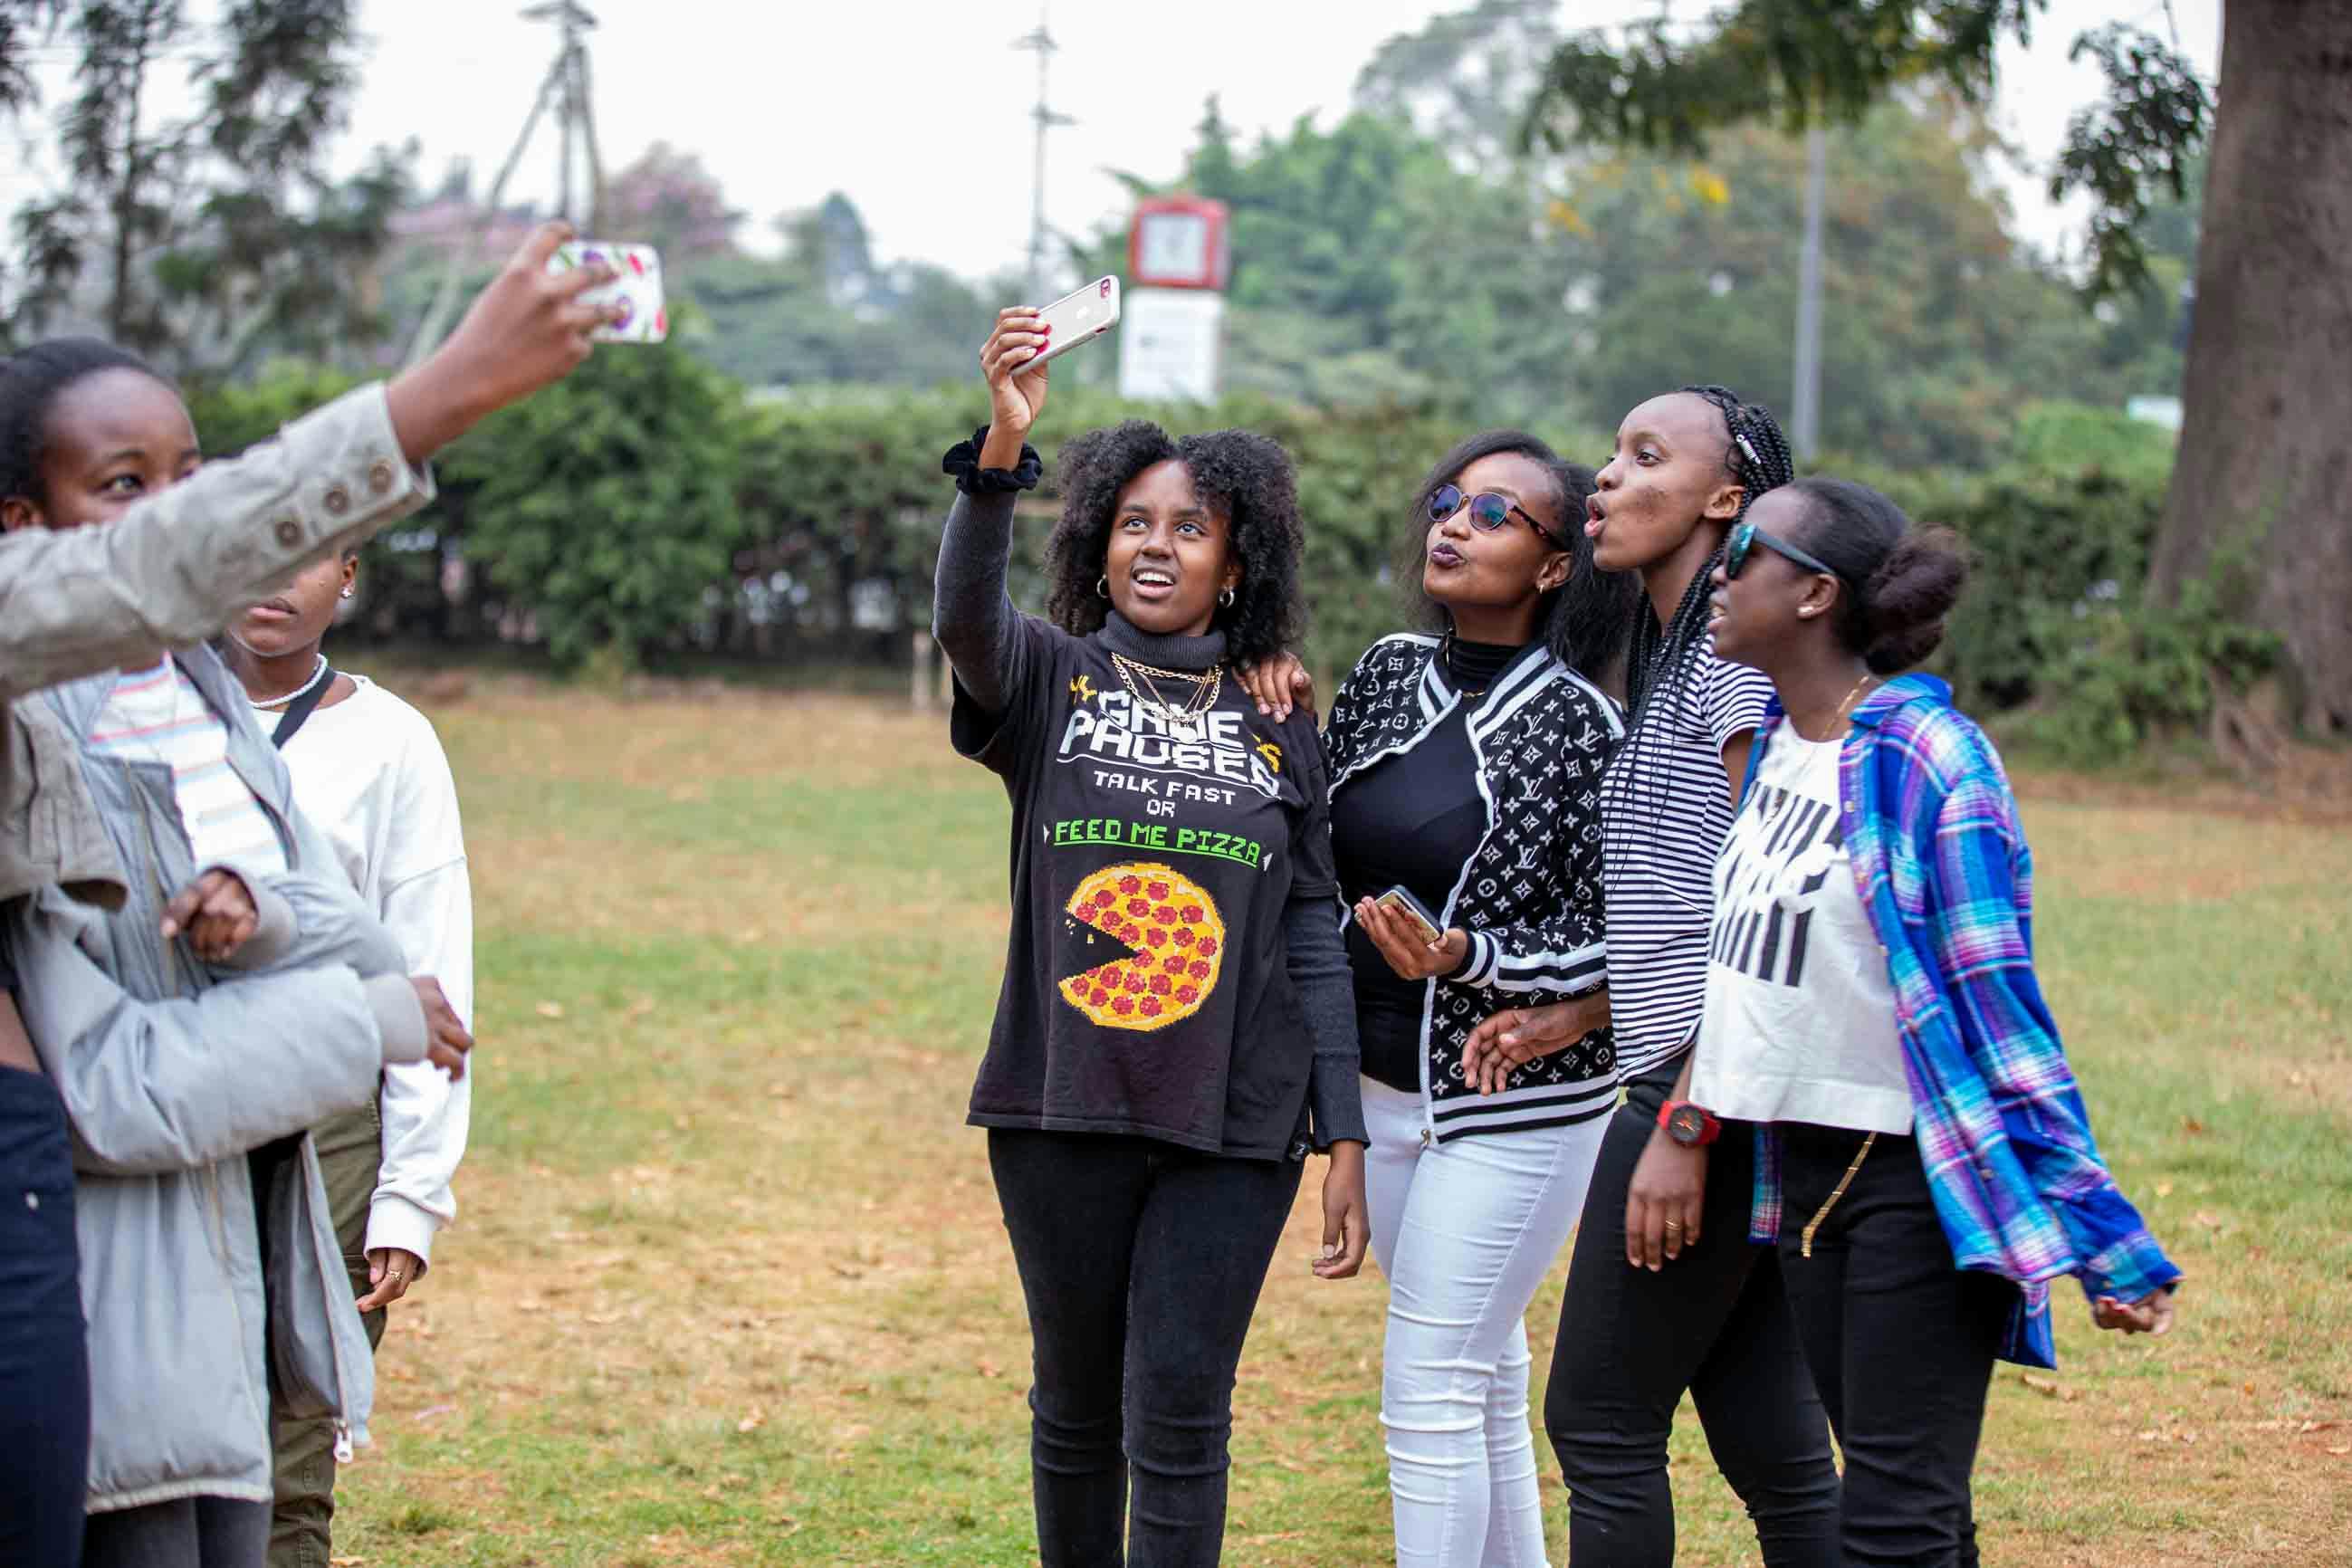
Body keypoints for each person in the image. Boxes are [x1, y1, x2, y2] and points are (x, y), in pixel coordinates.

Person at [0, 220, 615, 1568]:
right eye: (124, 487)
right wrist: (370, 1019)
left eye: (187, 481)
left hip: (235, 1243)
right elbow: (113, 1081)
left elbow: (341, 911)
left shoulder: (198, 691)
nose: (177, 524)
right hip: (112, 1279)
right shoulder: (38, 725)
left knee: (280, 1507)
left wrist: (274, 921)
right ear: (21, 530)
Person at [931, 307, 1367, 1567]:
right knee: (1075, 1411)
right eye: (1133, 523)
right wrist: (1002, 447)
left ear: (1235, 563)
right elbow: (965, 618)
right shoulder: (1047, 681)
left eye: (1189, 526)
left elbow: (1313, 925)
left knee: (1180, 1418)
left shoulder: (1280, 712)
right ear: (1098, 544)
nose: (1156, 545)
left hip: (1236, 1117)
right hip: (1062, 1099)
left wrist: (1341, 1127)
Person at [1688, 476, 2180, 1564]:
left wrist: (2103, 1235)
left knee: (1891, 1525)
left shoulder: (1927, 758)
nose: (1717, 570)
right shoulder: (1775, 743)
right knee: (1912, 1512)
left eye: (1743, 548)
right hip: (1797, 1174)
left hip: (1913, 1180)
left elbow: (1997, 1008)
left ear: (1816, 592)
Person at [1463, 386, 1841, 1564]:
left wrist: (1683, 1115)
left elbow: (1769, 902)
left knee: (1600, 1420)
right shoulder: (1681, 653)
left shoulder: (1732, 665)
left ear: (1727, 498)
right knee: (1770, 1442)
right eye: (1611, 455)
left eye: (1644, 457)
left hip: (1707, 1093)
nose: (1606, 479)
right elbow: (1690, 903)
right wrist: (1582, 1010)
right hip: (1714, 1078)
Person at [1313, 431, 1633, 1566]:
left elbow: (1627, 935)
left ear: (1556, 565)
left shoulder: (1584, 726)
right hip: (1379, 1092)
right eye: (1450, 501)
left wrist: (1467, 953)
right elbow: (1311, 842)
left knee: (1431, 1383)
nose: (1454, 522)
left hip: (1517, 1102)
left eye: (1495, 513)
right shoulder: (1384, 673)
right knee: (1482, 1372)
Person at [217, 555, 474, 1568]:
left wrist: (409, 1193)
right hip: (152, 1101)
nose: (272, 575)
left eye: (308, 548)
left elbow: (429, 971)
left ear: (352, 571)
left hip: (328, 1114)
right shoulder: (133, 714)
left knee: (292, 1442)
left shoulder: (392, 740)